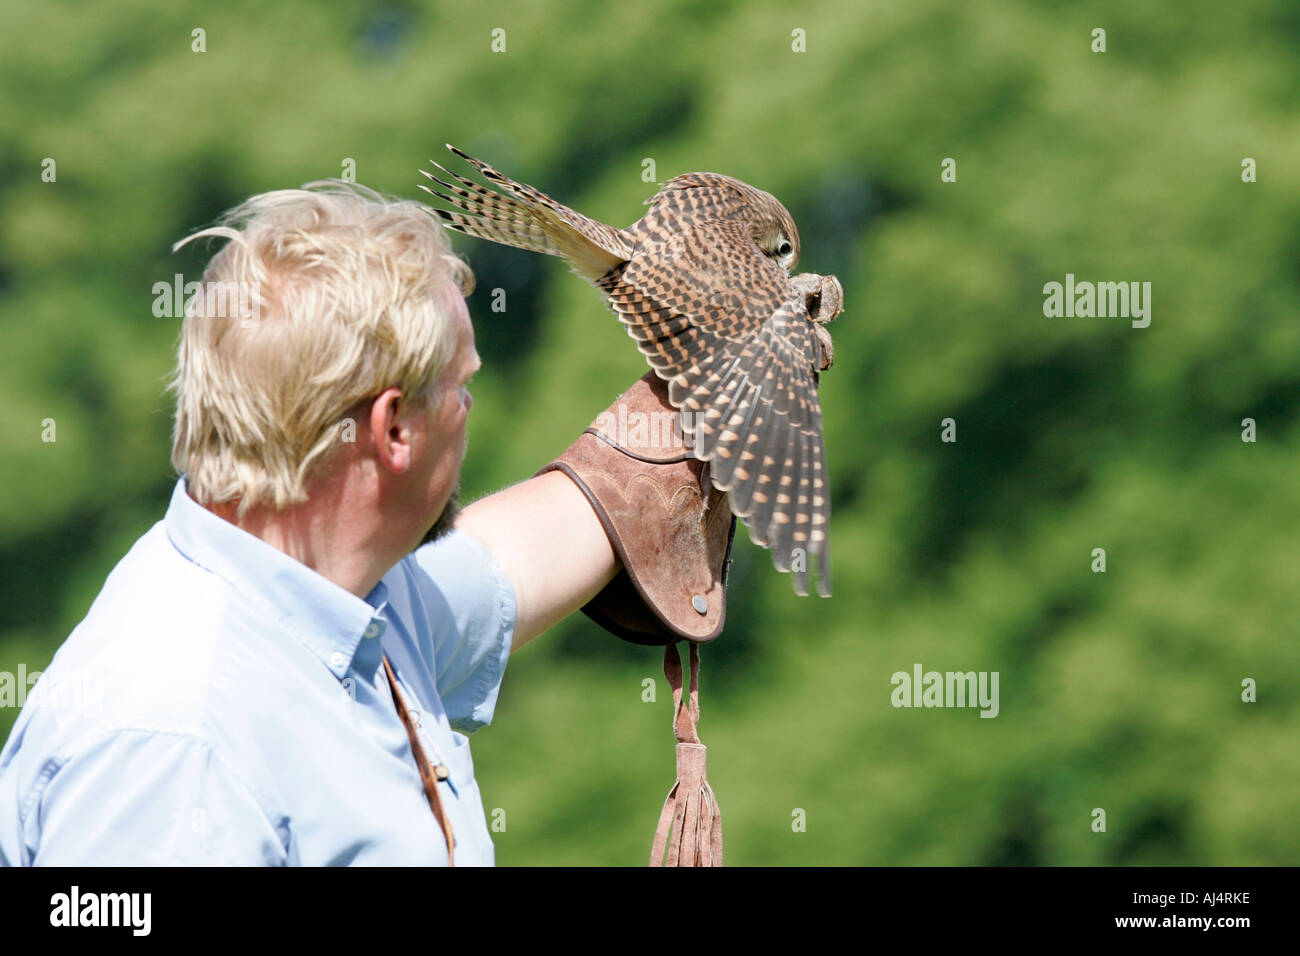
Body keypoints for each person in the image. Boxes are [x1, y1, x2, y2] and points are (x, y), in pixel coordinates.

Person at [0, 181, 629, 865]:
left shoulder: (346, 600)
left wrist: (703, 404)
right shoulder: (176, 745)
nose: (469, 407)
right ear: (394, 428)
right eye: (460, 386)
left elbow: (523, 556)